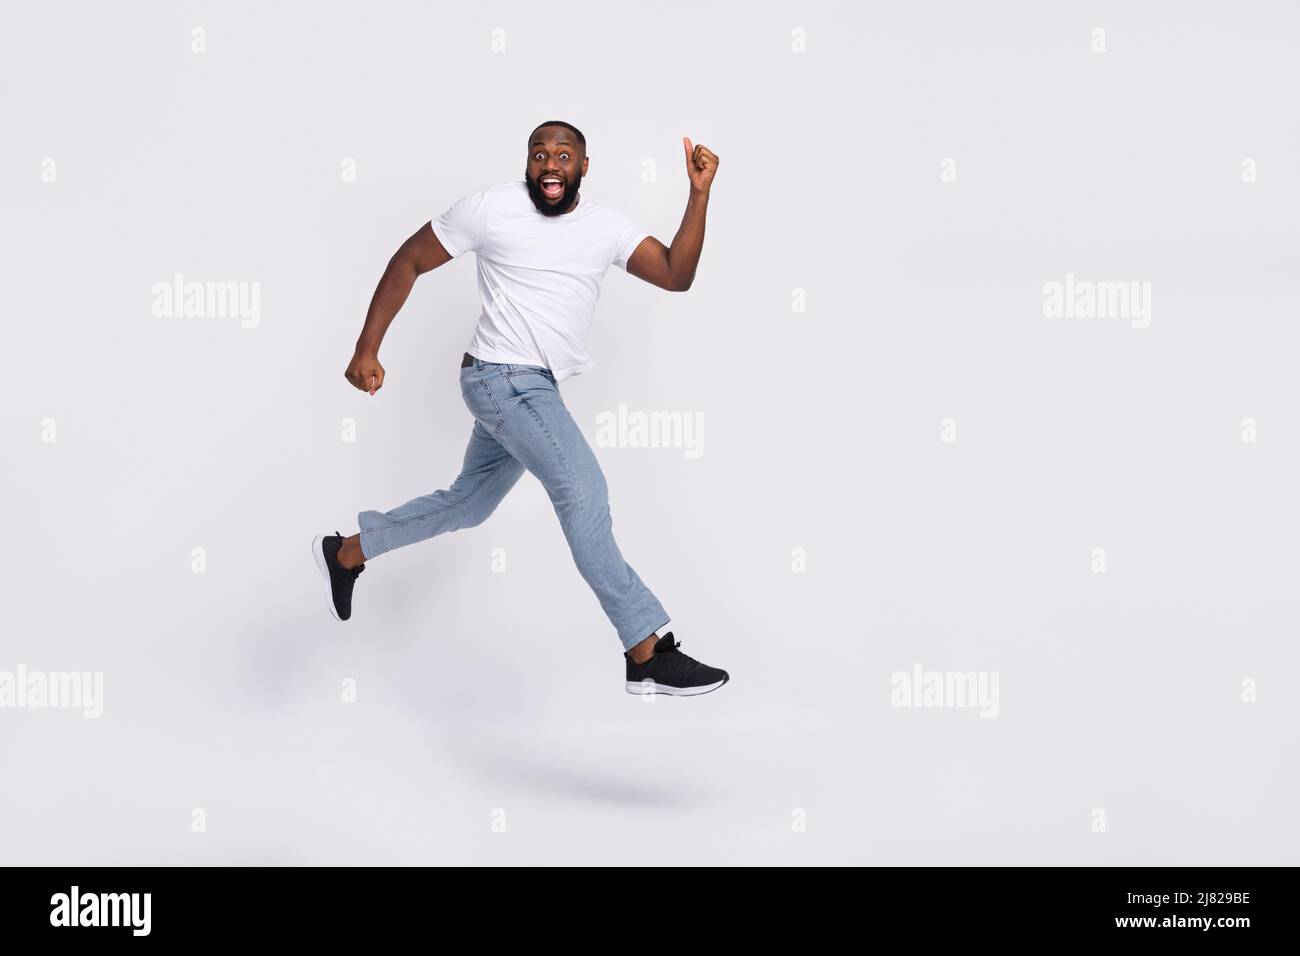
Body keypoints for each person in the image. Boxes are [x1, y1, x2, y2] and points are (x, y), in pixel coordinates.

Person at [312, 120, 728, 696]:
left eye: (563, 155)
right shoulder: (490, 209)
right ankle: (645, 648)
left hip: (533, 388)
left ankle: (348, 551)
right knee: (583, 492)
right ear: (527, 164)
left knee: (470, 503)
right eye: (539, 155)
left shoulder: (604, 227)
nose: (550, 164)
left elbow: (676, 275)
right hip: (502, 381)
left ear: (584, 166)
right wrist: (366, 348)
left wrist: (698, 194)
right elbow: (408, 259)